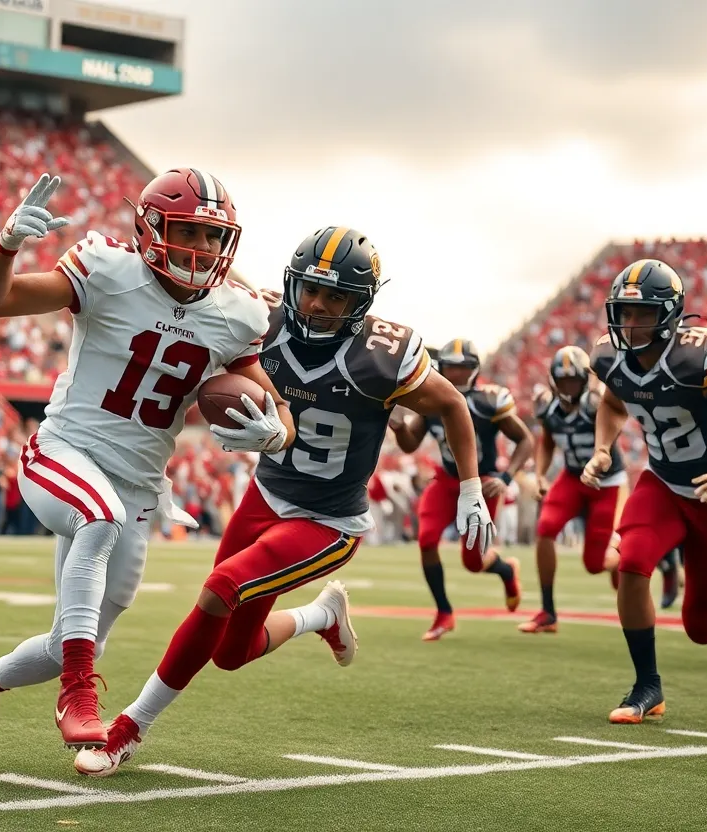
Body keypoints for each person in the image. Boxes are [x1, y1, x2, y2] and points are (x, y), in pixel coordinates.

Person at [73, 226, 495, 777]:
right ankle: (322, 615)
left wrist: (470, 487)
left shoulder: (381, 357)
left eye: (335, 296)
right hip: (265, 493)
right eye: (309, 290)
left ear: (360, 302)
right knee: (228, 652)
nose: (316, 305)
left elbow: (453, 405)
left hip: (329, 519)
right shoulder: (259, 319)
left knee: (220, 590)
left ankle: (127, 729)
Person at [0, 170, 292, 752]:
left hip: (138, 484)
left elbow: (276, 401)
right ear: (151, 228)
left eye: (214, 237)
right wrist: (6, 246)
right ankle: (77, 694)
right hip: (65, 452)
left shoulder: (238, 313)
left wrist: (276, 435)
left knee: (75, 639)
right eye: (189, 231)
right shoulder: (108, 270)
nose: (203, 249)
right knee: (96, 519)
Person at [582, 258, 707, 723]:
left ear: (671, 315)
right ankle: (647, 686)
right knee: (631, 563)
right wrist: (602, 448)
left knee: (703, 629)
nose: (630, 325)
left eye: (643, 314)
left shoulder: (698, 357)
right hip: (661, 481)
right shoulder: (607, 356)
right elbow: (613, 402)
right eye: (624, 313)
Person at [390, 338, 534, 641]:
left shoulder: (488, 400)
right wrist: (401, 428)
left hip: (481, 482)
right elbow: (410, 445)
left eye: (462, 367)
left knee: (473, 562)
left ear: (474, 369)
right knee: (427, 539)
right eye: (450, 367)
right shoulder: (431, 401)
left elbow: (525, 440)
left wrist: (507, 478)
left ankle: (506, 571)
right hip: (445, 480)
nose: (455, 374)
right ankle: (444, 613)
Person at [520, 346, 627, 633]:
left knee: (594, 564)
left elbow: (615, 423)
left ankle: (625, 559)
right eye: (563, 381)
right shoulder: (546, 405)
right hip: (571, 477)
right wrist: (541, 475)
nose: (568, 387)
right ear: (554, 381)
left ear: (585, 380)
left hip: (606, 482)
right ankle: (548, 611)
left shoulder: (597, 402)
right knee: (545, 528)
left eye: (573, 380)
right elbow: (548, 440)